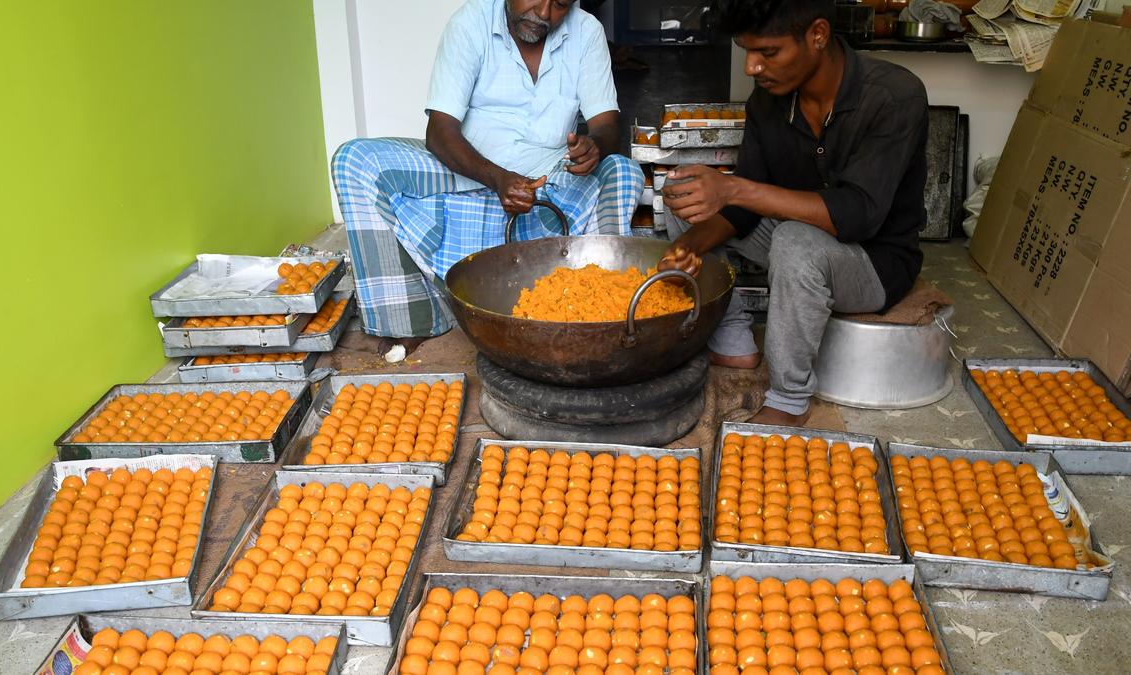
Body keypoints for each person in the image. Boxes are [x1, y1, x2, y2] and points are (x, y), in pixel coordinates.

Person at [659, 0, 928, 425]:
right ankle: (732, 341)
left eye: (768, 52)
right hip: (795, 243)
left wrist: (734, 188)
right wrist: (688, 246)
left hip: (873, 261)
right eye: (747, 51)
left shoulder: (894, 96)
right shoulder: (768, 101)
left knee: (793, 240)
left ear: (817, 35)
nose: (751, 67)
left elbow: (859, 215)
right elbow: (743, 211)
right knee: (686, 194)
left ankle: (787, 401)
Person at [332, 0, 641, 362]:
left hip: (550, 180)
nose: (544, 13)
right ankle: (412, 319)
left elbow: (606, 125)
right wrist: (497, 178)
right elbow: (440, 132)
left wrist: (594, 147)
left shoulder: (586, 32)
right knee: (354, 160)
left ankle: (601, 311)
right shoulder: (470, 23)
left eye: (559, 4)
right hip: (467, 171)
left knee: (622, 171)